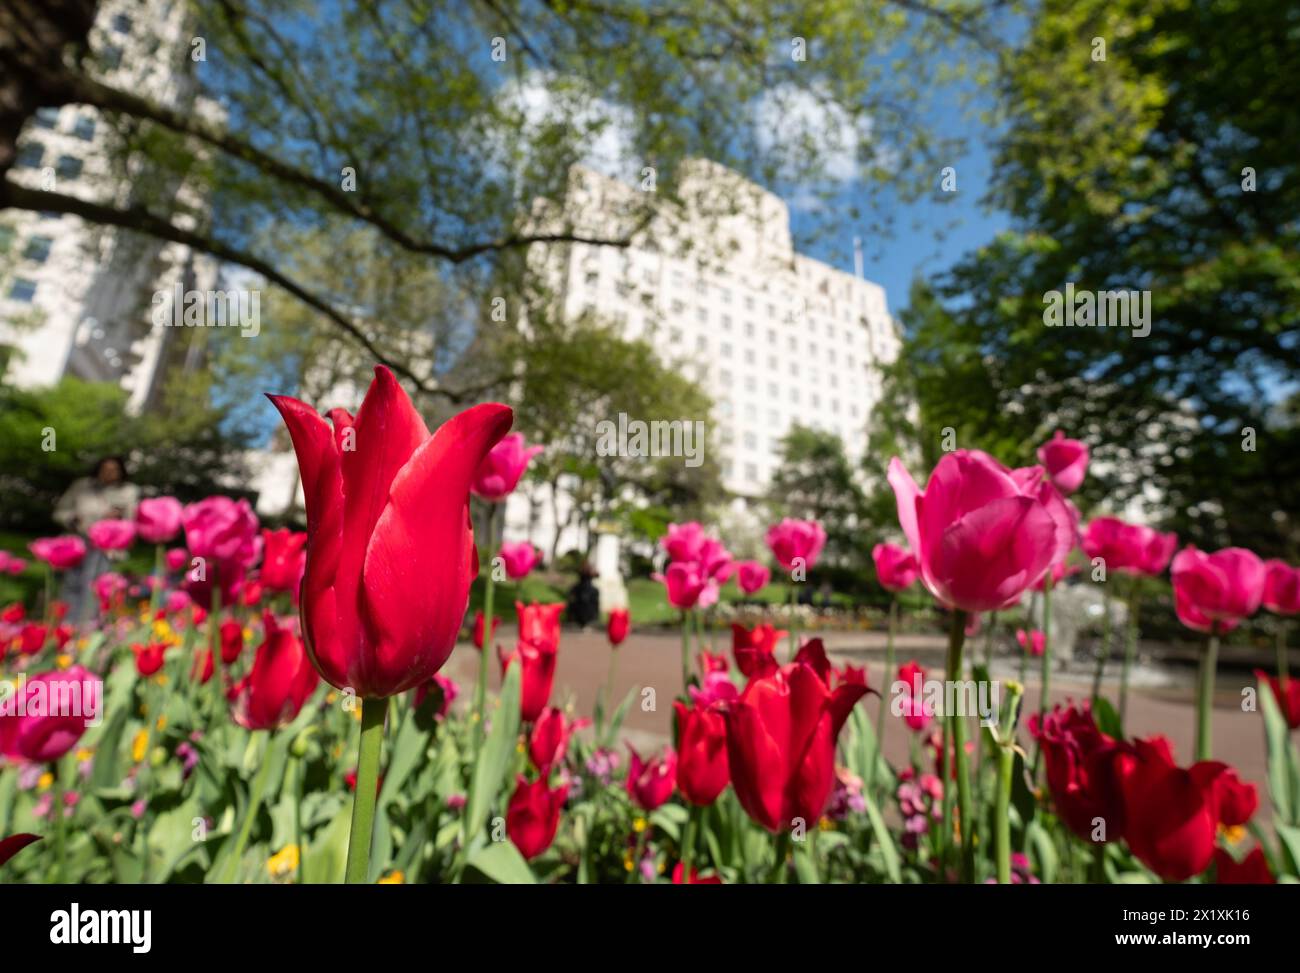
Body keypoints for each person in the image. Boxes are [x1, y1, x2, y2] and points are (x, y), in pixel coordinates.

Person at [53, 456, 141, 620]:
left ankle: (87, 627)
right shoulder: (81, 486)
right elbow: (60, 512)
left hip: (105, 548)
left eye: (114, 470)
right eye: (105, 469)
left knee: (96, 586)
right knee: (72, 584)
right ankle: (66, 626)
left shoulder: (128, 491)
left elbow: (131, 523)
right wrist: (73, 520)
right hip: (78, 542)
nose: (109, 473)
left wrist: (117, 525)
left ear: (121, 472)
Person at [566, 562, 600, 629]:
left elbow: (597, 575)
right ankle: (576, 617)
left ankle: (588, 618)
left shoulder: (594, 590)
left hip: (587, 590)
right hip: (583, 590)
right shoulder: (576, 588)